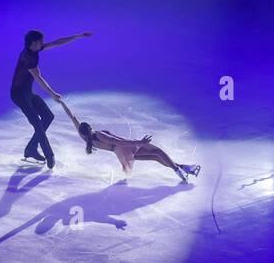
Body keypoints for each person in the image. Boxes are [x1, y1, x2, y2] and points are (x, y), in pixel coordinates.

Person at [56, 99, 201, 182]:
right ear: (90, 128)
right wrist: (140, 143)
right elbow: (120, 142)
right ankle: (179, 170)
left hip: (121, 155)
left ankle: (183, 168)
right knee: (157, 151)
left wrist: (62, 103)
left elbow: (72, 117)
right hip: (125, 148)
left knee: (154, 157)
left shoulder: (85, 138)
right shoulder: (99, 135)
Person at [10, 30, 91, 170]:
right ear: (33, 43)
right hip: (18, 95)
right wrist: (53, 93)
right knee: (36, 121)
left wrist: (77, 36)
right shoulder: (27, 56)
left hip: (28, 93)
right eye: (40, 41)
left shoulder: (35, 49)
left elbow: (56, 43)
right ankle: (49, 155)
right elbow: (38, 78)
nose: (42, 43)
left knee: (48, 116)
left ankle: (31, 149)